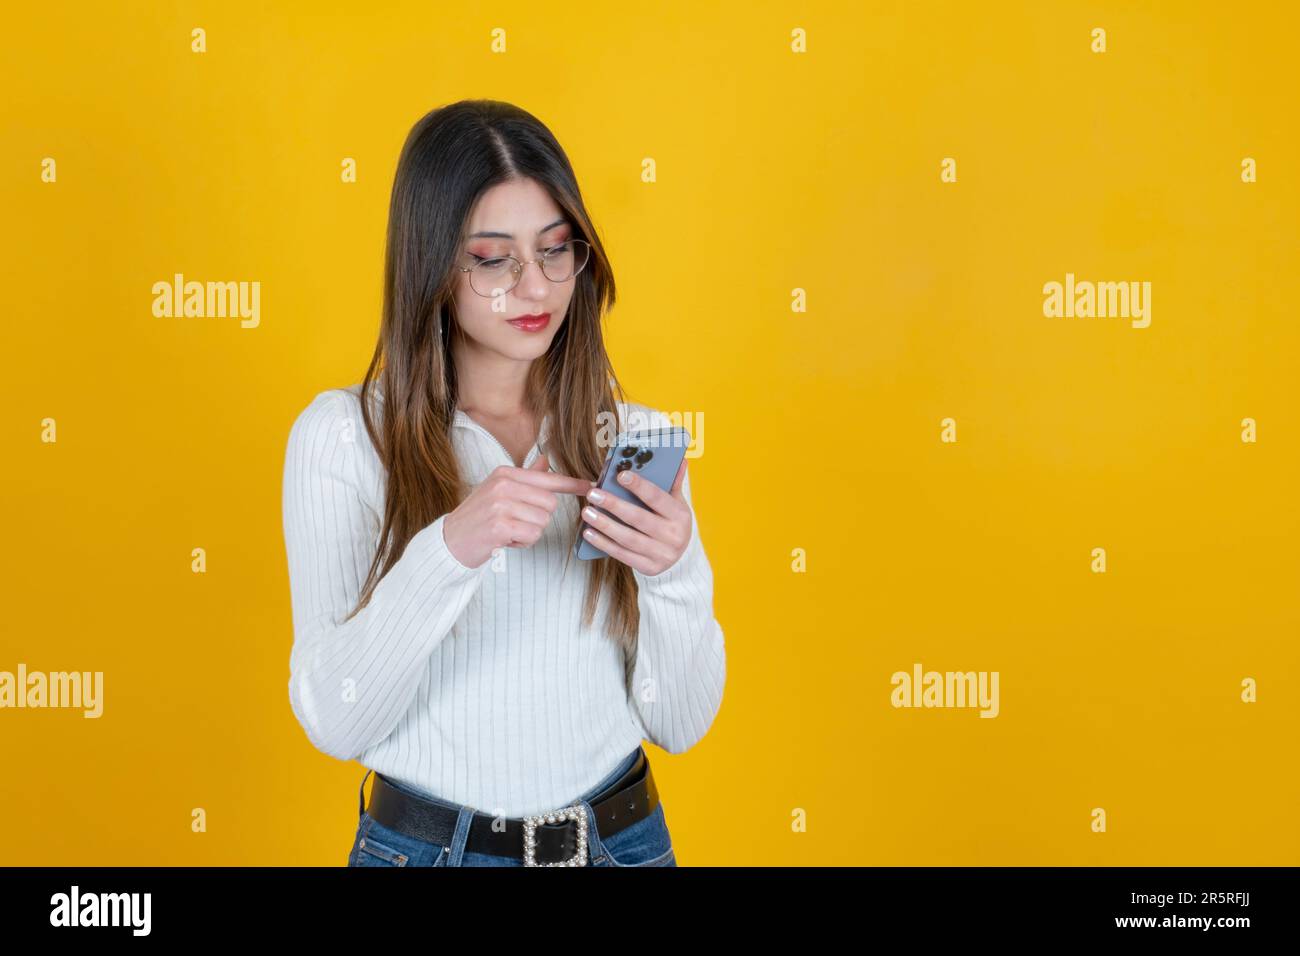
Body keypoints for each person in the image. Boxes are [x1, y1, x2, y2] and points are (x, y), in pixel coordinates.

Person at [280, 99, 726, 866]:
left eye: (558, 250)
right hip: (430, 851)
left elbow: (680, 723)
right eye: (494, 259)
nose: (537, 286)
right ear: (431, 264)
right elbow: (336, 722)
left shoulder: (630, 439)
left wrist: (674, 574)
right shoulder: (344, 440)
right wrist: (450, 549)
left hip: (621, 844)